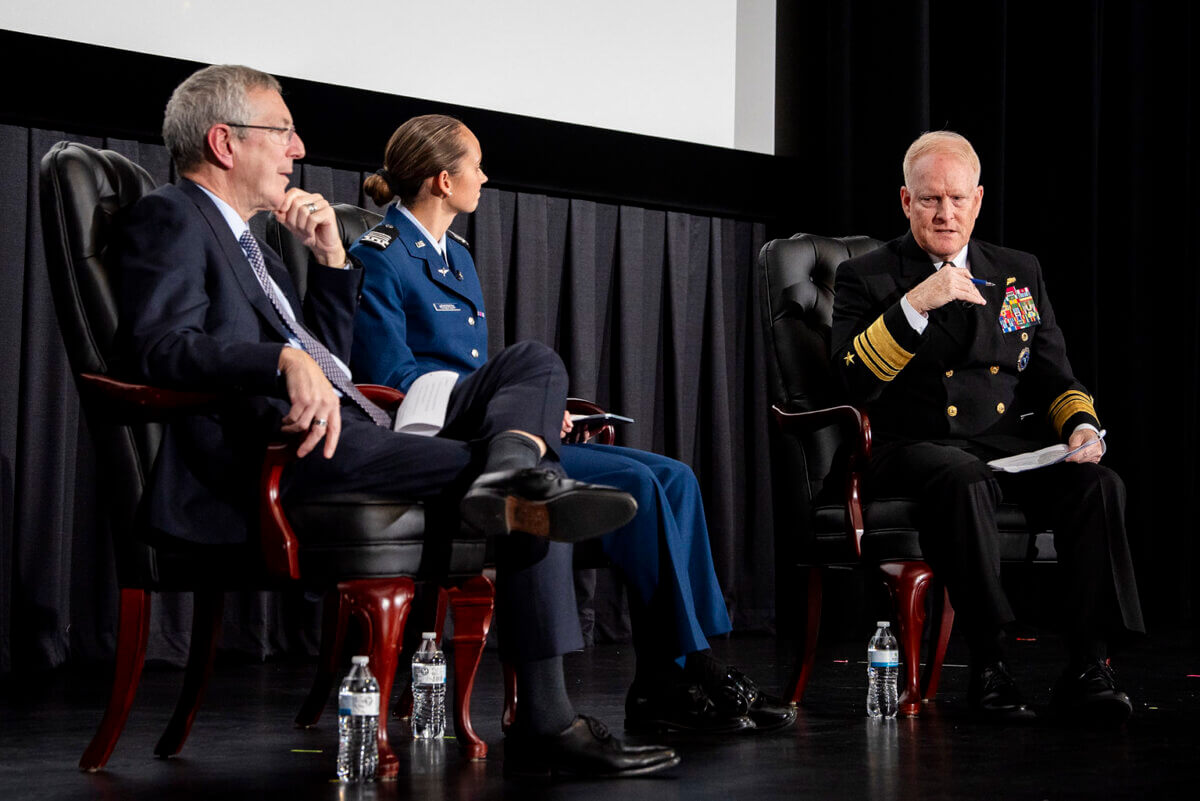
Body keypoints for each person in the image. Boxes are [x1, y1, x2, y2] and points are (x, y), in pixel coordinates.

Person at [113, 63, 681, 779]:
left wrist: (328, 261)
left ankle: (509, 464)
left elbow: (332, 362)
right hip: (277, 457)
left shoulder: (251, 242)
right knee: (540, 492)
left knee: (532, 362)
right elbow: (160, 349)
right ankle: (546, 719)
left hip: (352, 433)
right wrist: (279, 360)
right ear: (225, 142)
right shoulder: (173, 215)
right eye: (283, 130)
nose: (297, 148)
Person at [348, 115, 795, 734]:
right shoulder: (380, 256)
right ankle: (681, 672)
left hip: (495, 430)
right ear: (444, 179)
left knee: (677, 477)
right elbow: (392, 382)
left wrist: (529, 410)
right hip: (450, 443)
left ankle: (685, 666)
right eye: (475, 165)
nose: (485, 176)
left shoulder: (458, 256)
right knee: (638, 487)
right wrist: (501, 404)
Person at [831, 130, 1144, 723]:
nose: (945, 214)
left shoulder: (1016, 271)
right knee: (962, 475)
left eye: (956, 199)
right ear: (905, 202)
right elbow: (855, 383)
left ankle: (1089, 665)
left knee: (1101, 486)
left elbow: (1053, 374)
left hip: (1008, 445)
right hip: (912, 444)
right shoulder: (867, 276)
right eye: (929, 200)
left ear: (977, 200)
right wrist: (916, 304)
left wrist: (1081, 428)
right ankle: (990, 663)